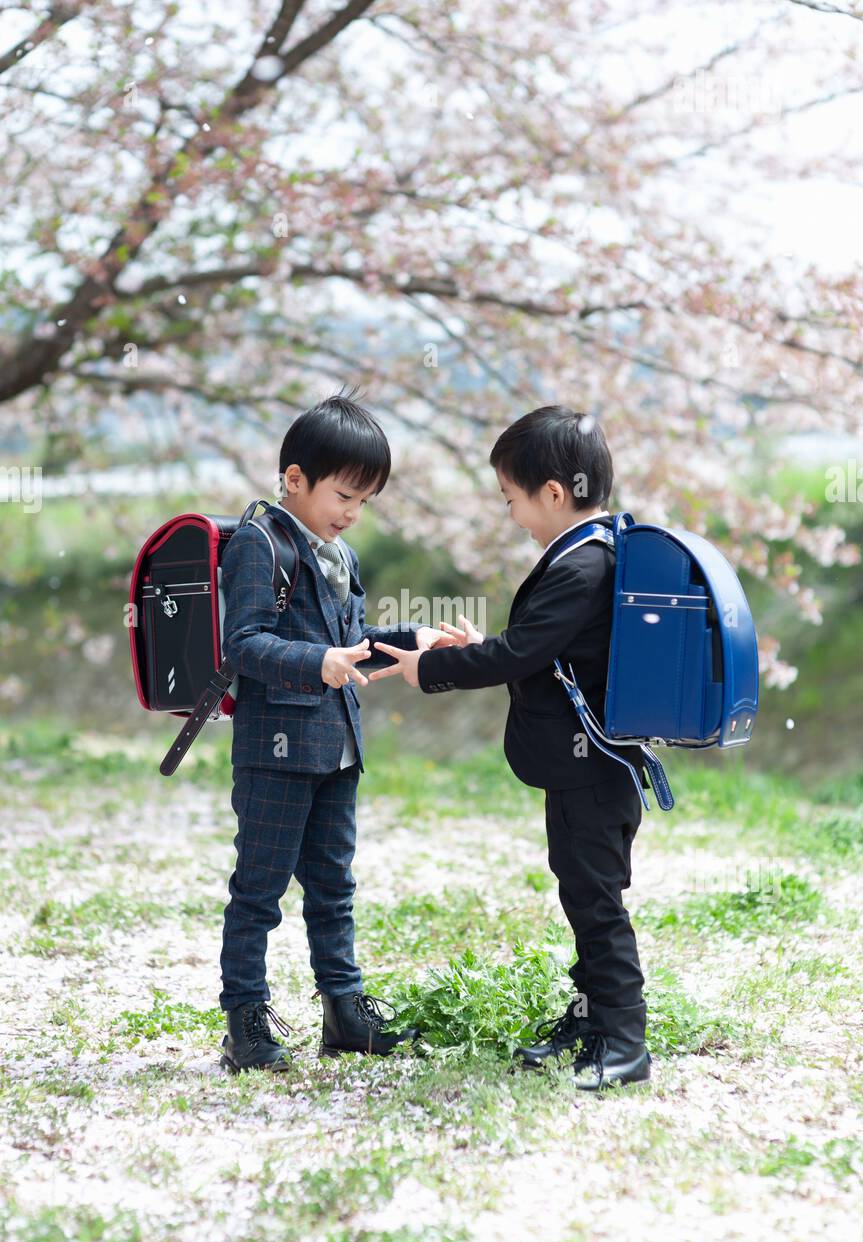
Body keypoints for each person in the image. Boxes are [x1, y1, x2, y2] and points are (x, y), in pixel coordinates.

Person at [370, 406, 652, 1091]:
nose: (512, 516)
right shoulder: (598, 552)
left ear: (554, 493)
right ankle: (588, 1020)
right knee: (584, 892)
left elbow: (523, 651)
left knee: (595, 904)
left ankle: (624, 1042)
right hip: (589, 766)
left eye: (512, 501)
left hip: (592, 769)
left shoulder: (581, 565)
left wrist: (430, 669)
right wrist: (478, 650)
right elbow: (551, 657)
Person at [217, 389, 453, 1073]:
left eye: (364, 501)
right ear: (294, 479)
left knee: (333, 885)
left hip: (339, 745)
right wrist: (316, 662)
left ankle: (344, 1011)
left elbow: (349, 644)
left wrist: (414, 639)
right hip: (276, 750)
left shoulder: (340, 557)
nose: (352, 513)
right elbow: (244, 646)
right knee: (259, 890)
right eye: (343, 495)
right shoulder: (261, 544)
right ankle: (245, 1020)